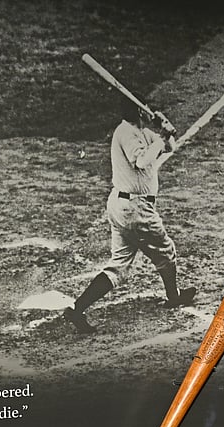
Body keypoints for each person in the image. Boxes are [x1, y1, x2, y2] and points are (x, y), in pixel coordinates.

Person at [63, 98, 195, 333]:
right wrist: (162, 137)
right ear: (136, 112)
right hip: (135, 209)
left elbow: (169, 147)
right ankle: (173, 296)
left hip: (123, 206)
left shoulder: (142, 132)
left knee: (119, 266)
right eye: (143, 108)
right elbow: (142, 161)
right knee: (166, 251)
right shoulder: (125, 133)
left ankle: (77, 309)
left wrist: (166, 132)